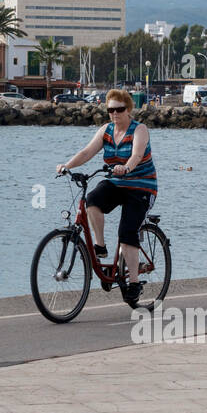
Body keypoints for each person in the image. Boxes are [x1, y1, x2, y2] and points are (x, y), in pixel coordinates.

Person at [55, 88, 157, 304]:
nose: (115, 114)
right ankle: (100, 247)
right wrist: (67, 166)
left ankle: (134, 283)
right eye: (111, 110)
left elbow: (137, 154)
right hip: (117, 183)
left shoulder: (139, 129)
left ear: (128, 109)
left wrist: (126, 167)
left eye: (119, 109)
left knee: (127, 232)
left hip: (142, 186)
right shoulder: (106, 130)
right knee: (92, 201)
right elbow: (86, 152)